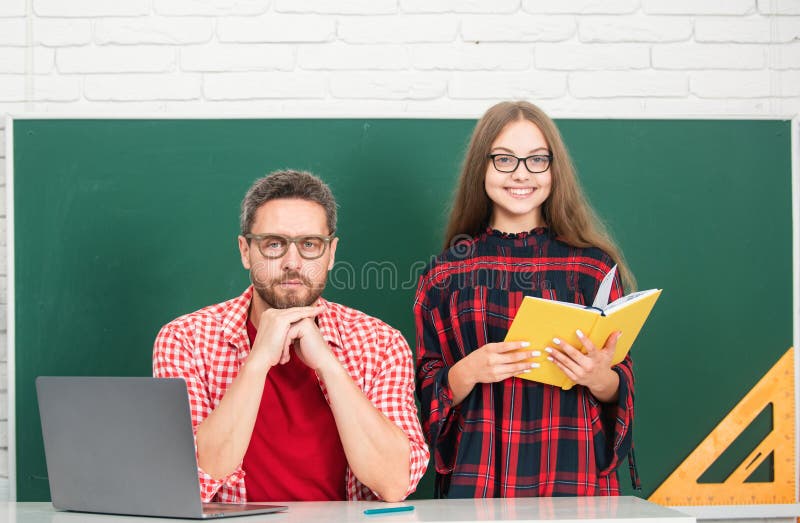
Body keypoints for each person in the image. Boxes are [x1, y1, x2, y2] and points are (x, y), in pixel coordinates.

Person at [154, 170, 428, 503]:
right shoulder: (184, 340)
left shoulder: (381, 343)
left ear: (331, 253)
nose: (292, 262)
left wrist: (328, 364)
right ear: (245, 250)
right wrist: (256, 362)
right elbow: (190, 481)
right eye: (274, 244)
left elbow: (394, 482)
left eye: (310, 245)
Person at [414, 101, 638, 498]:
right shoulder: (444, 275)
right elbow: (424, 391)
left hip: (574, 476)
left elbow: (619, 386)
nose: (521, 173)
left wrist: (596, 376)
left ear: (554, 169)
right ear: (481, 167)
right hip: (477, 479)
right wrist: (468, 371)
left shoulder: (592, 269)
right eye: (504, 159)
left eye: (537, 160)